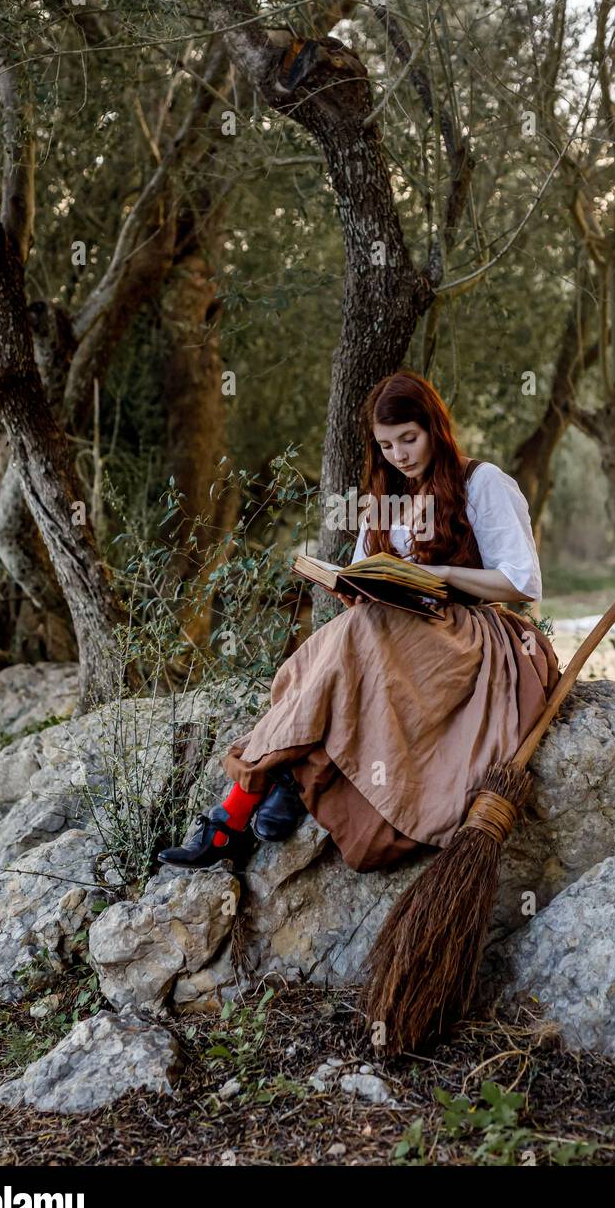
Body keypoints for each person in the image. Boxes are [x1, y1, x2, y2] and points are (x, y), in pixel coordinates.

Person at [158, 369, 560, 874]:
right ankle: (252, 803)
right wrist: (361, 585)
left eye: (409, 439)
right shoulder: (384, 497)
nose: (400, 455)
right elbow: (359, 573)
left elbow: (522, 583)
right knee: (353, 636)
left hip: (469, 634)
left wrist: (438, 573)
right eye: (387, 445)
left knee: (353, 639)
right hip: (395, 626)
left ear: (435, 427)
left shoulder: (483, 482)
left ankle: (258, 799)